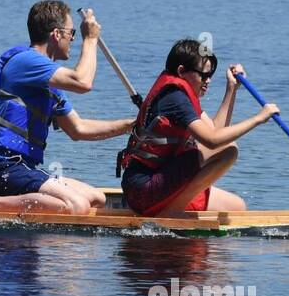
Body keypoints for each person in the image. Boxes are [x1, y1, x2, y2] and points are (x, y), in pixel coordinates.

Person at [0, 1, 134, 215]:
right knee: (78, 206)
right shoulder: (27, 62)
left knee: (96, 198)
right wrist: (90, 39)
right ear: (56, 34)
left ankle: (21, 205)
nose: (72, 39)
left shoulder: (50, 81)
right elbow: (83, 81)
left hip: (21, 167)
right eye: (71, 33)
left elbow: (78, 129)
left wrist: (130, 126)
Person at [119, 39, 279, 217]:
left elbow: (215, 130)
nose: (208, 81)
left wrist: (231, 89)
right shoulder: (175, 99)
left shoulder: (181, 95)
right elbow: (213, 141)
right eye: (203, 75)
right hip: (143, 190)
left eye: (210, 75)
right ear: (181, 71)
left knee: (236, 207)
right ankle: (172, 212)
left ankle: (174, 207)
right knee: (230, 149)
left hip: (160, 181)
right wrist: (258, 118)